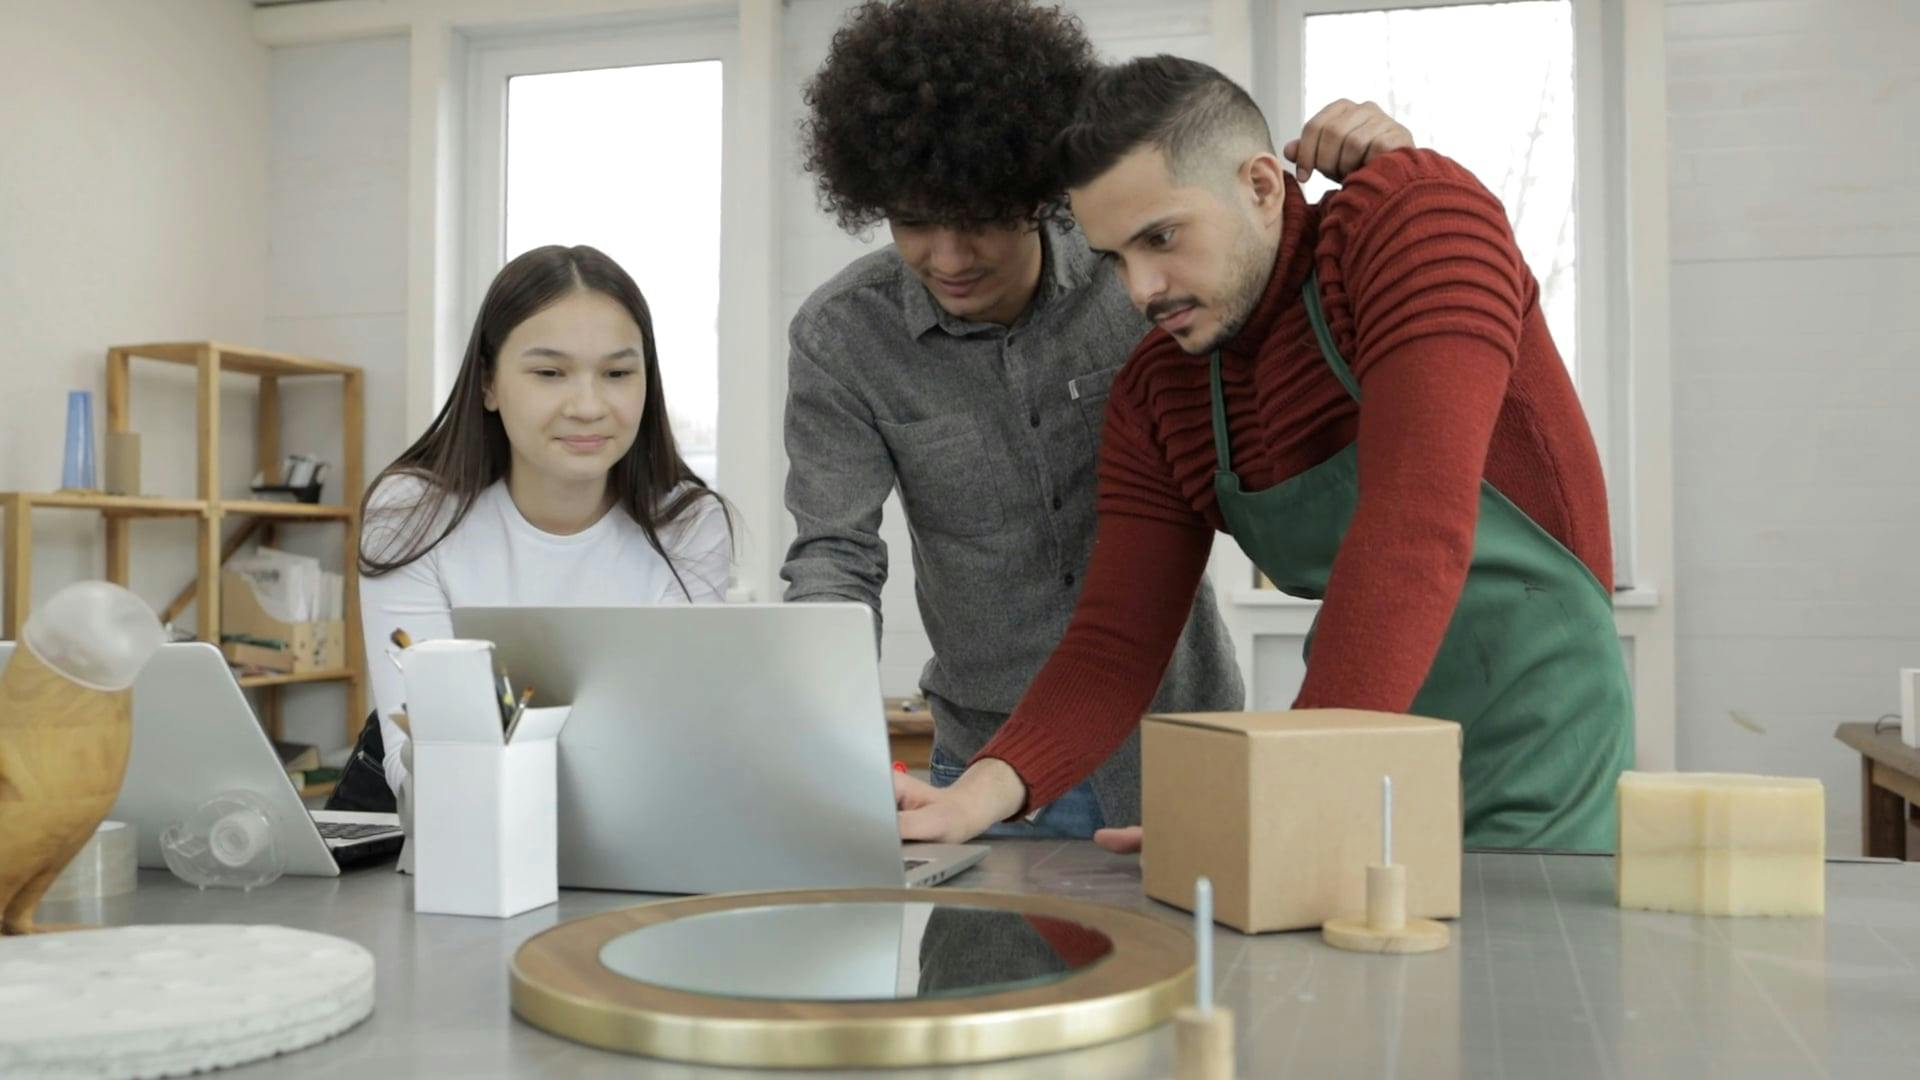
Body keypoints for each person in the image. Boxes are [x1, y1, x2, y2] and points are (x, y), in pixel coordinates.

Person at [903, 56, 1634, 853]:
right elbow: (1115, 645)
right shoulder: (1159, 393)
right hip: (1349, 733)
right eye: (1115, 257)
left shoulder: (1414, 219)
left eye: (1162, 237)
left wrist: (1286, 791)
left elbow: (1414, 529)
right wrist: (974, 795)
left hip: (1534, 738)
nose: (1143, 289)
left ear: (1259, 186)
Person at [784, 0, 1411, 839]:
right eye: (913, 223)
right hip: (982, 766)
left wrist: (1390, 173)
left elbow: (1304, 346)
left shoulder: (1147, 285)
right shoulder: (843, 337)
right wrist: (824, 729)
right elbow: (833, 556)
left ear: (1038, 193)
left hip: (1179, 743)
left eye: (976, 220)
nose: (948, 257)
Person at [327, 244, 732, 810]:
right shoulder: (412, 514)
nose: (589, 406)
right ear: (489, 383)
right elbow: (420, 769)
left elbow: (675, 742)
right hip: (429, 824)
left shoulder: (686, 525)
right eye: (549, 372)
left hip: (619, 819)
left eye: (617, 372)